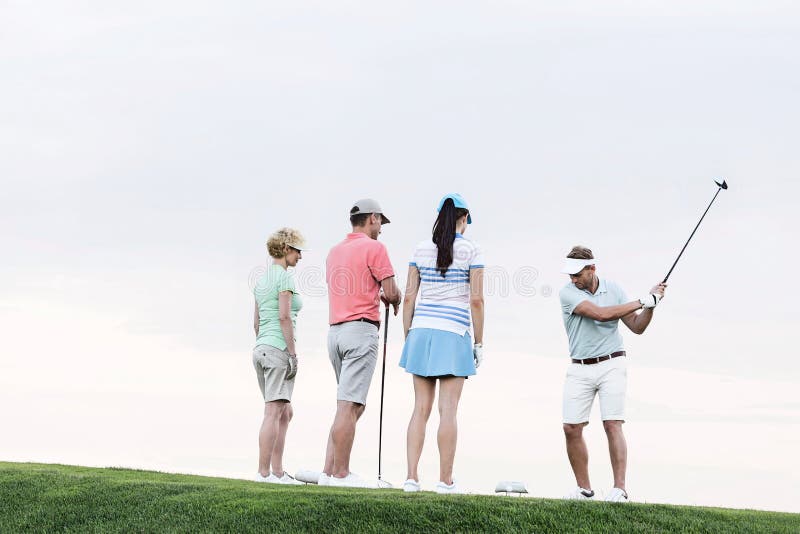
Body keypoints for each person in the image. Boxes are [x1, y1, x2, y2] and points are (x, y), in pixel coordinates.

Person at [558, 245, 666, 502]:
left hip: (612, 364)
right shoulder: (567, 293)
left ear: (592, 268)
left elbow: (637, 327)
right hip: (579, 367)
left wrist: (651, 305)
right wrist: (642, 300)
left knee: (612, 423)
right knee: (571, 427)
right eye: (570, 274)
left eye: (577, 274)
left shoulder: (614, 289)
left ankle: (620, 489)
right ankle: (585, 490)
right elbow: (601, 314)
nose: (573, 279)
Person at [399, 193, 485, 494]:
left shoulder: (420, 248)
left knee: (419, 408)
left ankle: (411, 478)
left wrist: (408, 334)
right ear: (463, 219)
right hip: (454, 332)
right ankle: (445, 481)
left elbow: (409, 296)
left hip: (421, 330)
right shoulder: (472, 250)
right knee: (448, 411)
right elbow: (476, 299)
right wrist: (479, 342)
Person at [320, 199, 402, 488]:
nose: (381, 230)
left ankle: (328, 471)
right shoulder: (375, 248)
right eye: (381, 223)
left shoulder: (334, 252)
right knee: (349, 405)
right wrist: (395, 297)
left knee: (348, 405)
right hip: (360, 330)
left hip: (335, 334)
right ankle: (341, 473)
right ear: (373, 219)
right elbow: (391, 291)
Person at [251, 228, 307, 484]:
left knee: (285, 412)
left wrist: (266, 346)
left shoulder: (261, 281)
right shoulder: (284, 279)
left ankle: (277, 471)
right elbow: (284, 317)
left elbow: (257, 322)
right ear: (286, 250)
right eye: (297, 251)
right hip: (278, 349)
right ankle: (265, 473)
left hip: (261, 348)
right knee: (273, 412)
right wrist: (291, 354)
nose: (300, 256)